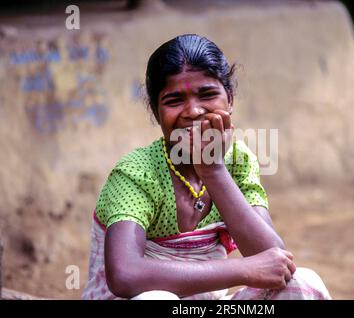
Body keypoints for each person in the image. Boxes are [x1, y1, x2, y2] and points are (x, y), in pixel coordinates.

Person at [82, 34, 331, 300]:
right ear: (156, 112)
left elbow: (271, 257)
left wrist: (213, 170)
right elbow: (125, 276)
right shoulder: (137, 172)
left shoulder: (237, 161)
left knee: (303, 283)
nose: (194, 111)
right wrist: (241, 269)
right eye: (174, 100)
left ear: (230, 99)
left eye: (208, 94)